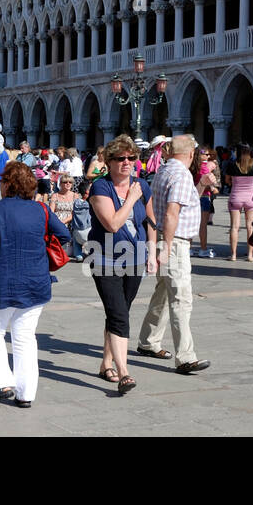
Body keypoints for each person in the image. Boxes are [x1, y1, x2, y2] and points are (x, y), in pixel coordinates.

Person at [0, 160, 70, 407]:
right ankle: (26, 395)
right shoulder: (41, 210)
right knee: (25, 336)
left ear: (7, 184)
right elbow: (64, 235)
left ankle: (3, 381)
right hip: (36, 280)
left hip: (3, 280)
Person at [85, 135, 153, 395]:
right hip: (104, 258)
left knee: (119, 310)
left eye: (131, 158)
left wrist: (153, 251)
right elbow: (112, 224)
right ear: (109, 162)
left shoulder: (141, 185)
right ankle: (124, 372)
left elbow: (150, 221)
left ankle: (106, 362)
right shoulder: (101, 188)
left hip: (135, 257)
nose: (127, 163)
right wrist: (131, 199)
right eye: (120, 158)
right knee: (118, 314)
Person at [137, 134, 210, 376]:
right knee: (181, 297)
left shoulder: (165, 170)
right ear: (191, 154)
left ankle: (149, 340)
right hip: (175, 241)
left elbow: (184, 203)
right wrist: (167, 247)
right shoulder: (180, 174)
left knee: (163, 292)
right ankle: (186, 357)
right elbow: (171, 214)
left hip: (164, 238)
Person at [222, 144, 253, 261]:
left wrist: (233, 183)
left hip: (236, 197)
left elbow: (227, 180)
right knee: (250, 227)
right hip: (251, 199)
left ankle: (233, 255)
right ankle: (250, 255)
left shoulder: (233, 164)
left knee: (234, 227)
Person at [194, 146, 218, 258]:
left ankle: (189, 247)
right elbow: (209, 184)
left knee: (192, 223)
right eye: (206, 154)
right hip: (203, 197)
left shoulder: (192, 166)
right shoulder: (204, 167)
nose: (208, 157)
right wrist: (214, 188)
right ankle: (203, 248)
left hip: (193, 196)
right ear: (201, 155)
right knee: (203, 225)